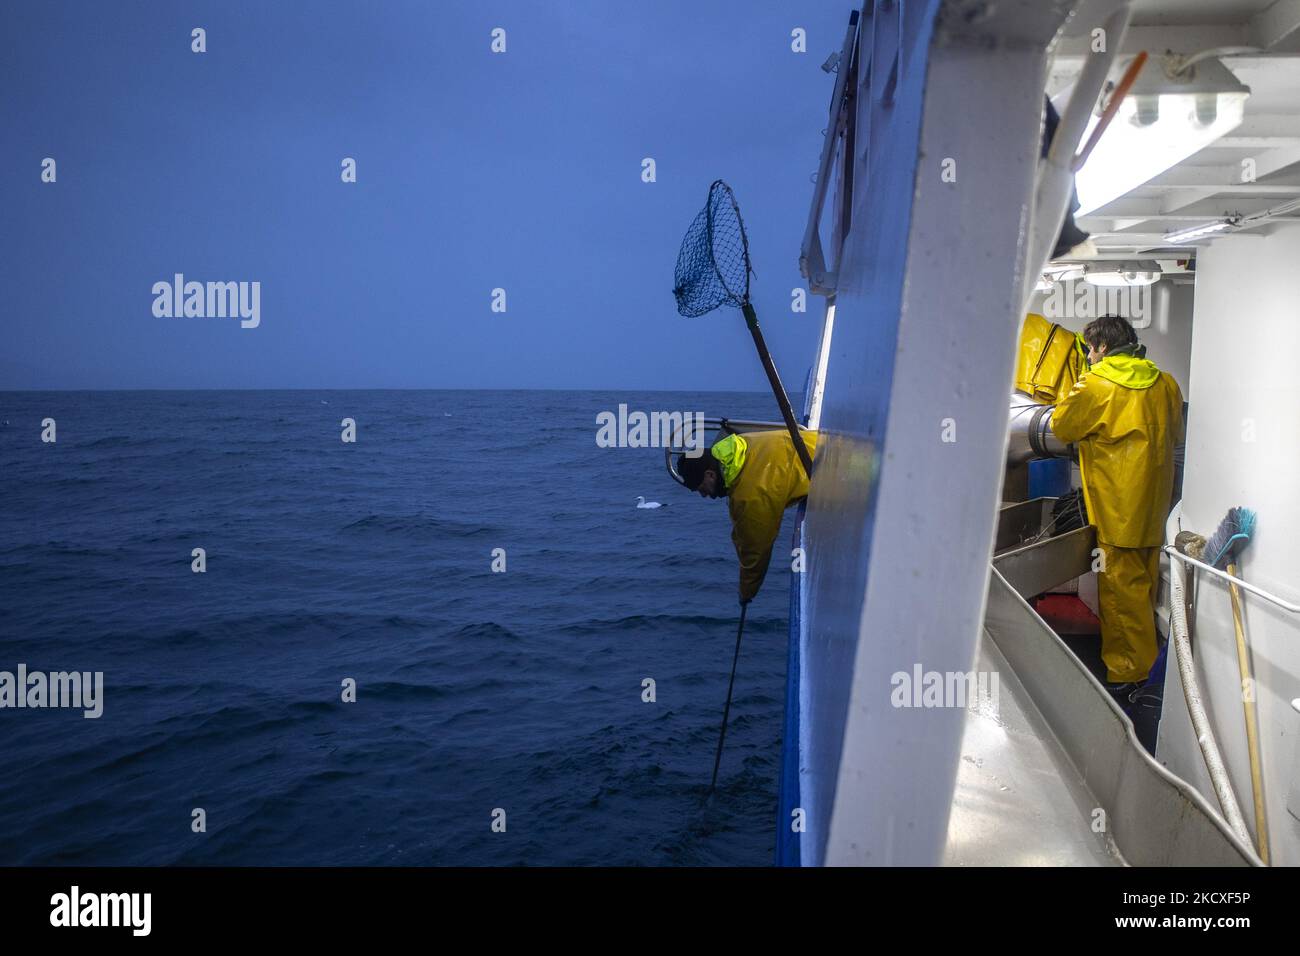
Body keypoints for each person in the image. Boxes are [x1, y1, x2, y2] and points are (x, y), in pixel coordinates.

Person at [1050, 315, 1184, 703]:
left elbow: (1062, 426)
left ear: (1102, 348)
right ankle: (1151, 667)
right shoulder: (1166, 383)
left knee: (1119, 595)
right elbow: (1175, 431)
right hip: (1155, 504)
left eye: (1090, 350)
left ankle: (1132, 676)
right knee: (1144, 587)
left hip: (1117, 504)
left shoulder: (1096, 382)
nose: (1089, 357)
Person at [676, 429, 819, 605]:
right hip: (829, 443)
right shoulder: (740, 445)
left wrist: (746, 592)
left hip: (837, 470)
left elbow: (755, 549)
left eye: (701, 488)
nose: (704, 495)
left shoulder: (750, 496)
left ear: (710, 474)